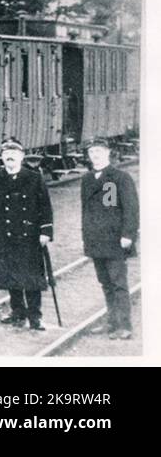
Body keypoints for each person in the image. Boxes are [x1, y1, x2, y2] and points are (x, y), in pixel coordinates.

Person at [0, 140, 54, 330]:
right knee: (10, 275)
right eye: (5, 154)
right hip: (5, 235)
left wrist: (45, 231)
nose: (9, 157)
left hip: (29, 235)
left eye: (13, 153)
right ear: (1, 157)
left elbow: (45, 207)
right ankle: (18, 311)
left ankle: (35, 315)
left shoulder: (34, 178)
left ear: (21, 156)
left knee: (31, 276)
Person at [80, 138, 138, 340]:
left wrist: (128, 235)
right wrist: (86, 237)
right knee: (105, 282)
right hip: (96, 240)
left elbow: (131, 209)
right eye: (92, 152)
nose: (95, 155)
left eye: (99, 151)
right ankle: (111, 322)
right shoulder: (87, 179)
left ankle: (124, 325)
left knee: (118, 283)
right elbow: (86, 211)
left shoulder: (120, 177)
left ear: (108, 153)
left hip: (115, 240)